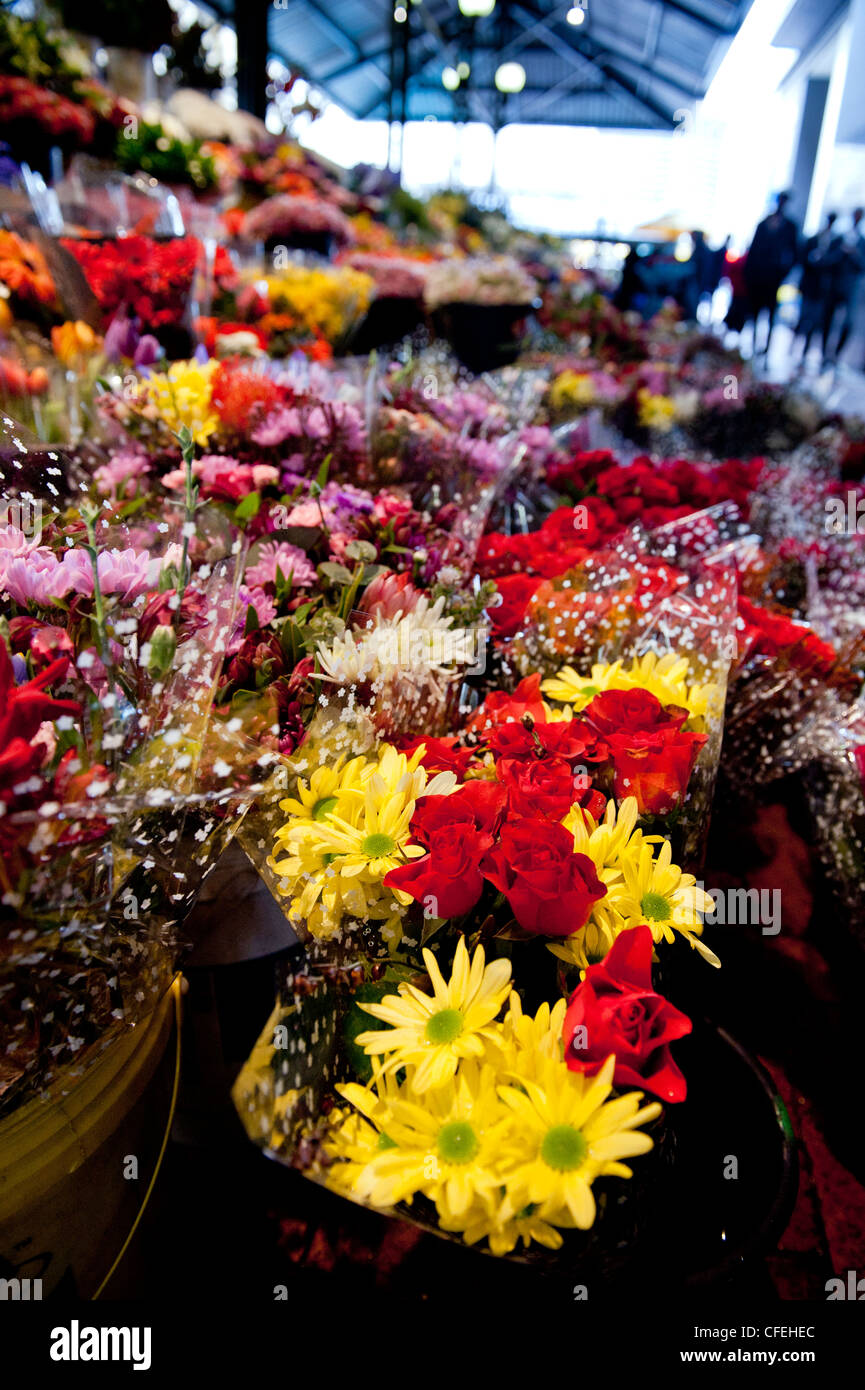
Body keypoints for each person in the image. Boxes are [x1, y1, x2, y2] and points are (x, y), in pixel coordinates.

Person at [744, 191, 799, 355]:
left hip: (774, 278)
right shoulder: (764, 223)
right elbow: (753, 250)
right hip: (758, 276)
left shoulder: (789, 227)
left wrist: (783, 273)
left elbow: (795, 253)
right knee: (754, 313)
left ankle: (766, 348)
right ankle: (753, 345)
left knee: (770, 315)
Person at [823, 207, 865, 366]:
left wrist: (854, 254)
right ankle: (824, 353)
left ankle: (836, 355)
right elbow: (828, 260)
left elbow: (863, 266)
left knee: (848, 324)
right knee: (827, 320)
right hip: (835, 285)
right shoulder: (840, 238)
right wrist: (842, 252)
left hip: (851, 289)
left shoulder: (862, 242)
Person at [795, 211, 837, 361]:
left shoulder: (835, 242)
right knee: (803, 316)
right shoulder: (815, 238)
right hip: (810, 285)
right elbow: (804, 259)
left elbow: (834, 263)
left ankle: (804, 350)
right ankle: (795, 346)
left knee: (814, 320)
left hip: (822, 289)